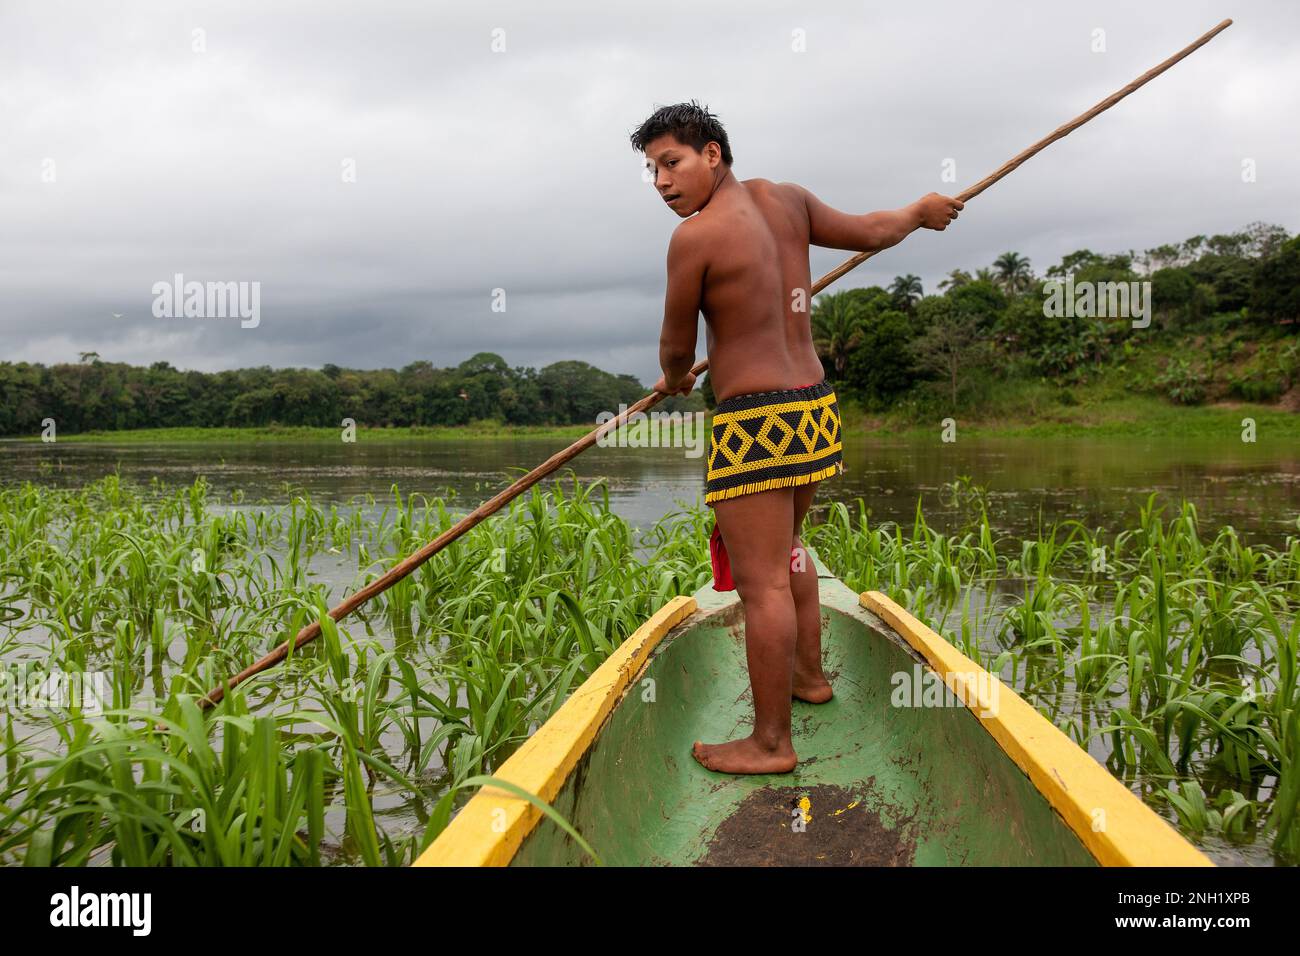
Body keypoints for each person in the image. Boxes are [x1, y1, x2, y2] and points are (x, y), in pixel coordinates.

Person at [631, 100, 962, 774]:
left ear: (713, 154)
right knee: (790, 552)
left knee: (762, 588)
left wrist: (673, 380)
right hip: (814, 409)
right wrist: (920, 211)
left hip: (755, 420)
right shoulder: (790, 202)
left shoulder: (694, 238)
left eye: (671, 163)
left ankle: (770, 743)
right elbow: (874, 229)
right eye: (651, 170)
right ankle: (810, 678)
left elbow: (675, 346)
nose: (661, 182)